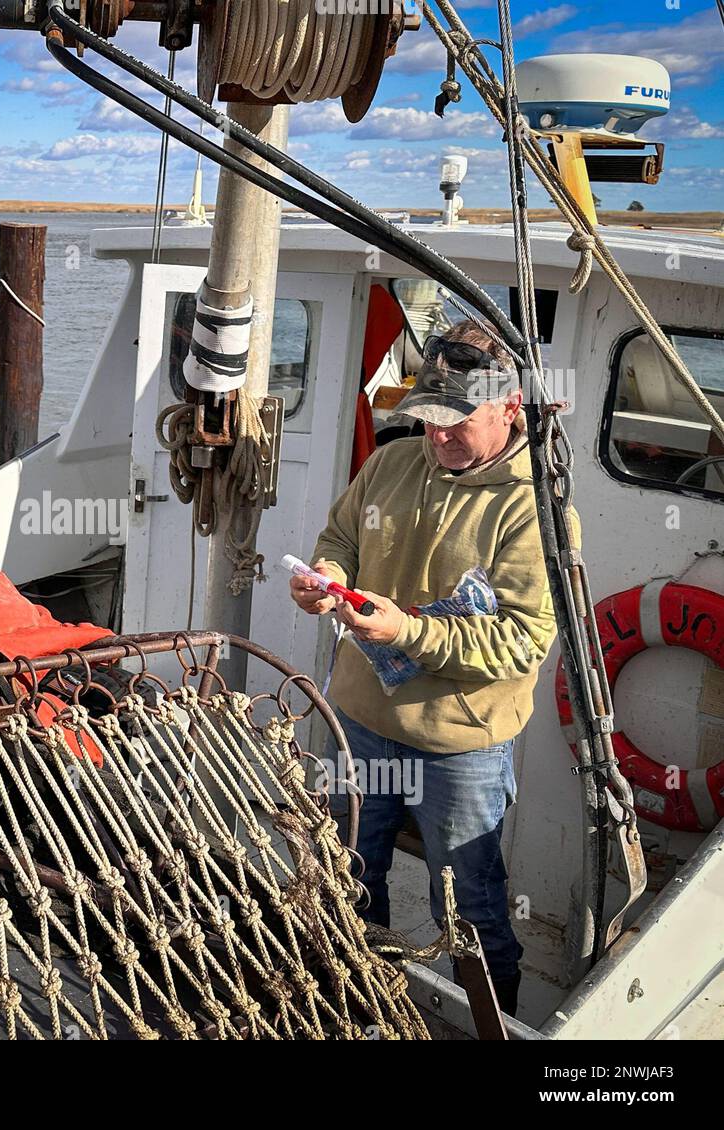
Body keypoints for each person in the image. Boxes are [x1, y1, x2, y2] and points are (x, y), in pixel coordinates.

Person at [289, 319, 574, 1017]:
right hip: (359, 719)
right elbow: (341, 537)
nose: (438, 434)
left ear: (511, 406)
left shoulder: (535, 505)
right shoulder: (391, 462)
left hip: (460, 746)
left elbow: (522, 643)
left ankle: (490, 1027)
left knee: (472, 909)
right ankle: (361, 1005)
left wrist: (407, 631)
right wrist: (325, 574)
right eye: (429, 417)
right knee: (349, 873)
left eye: (458, 418)